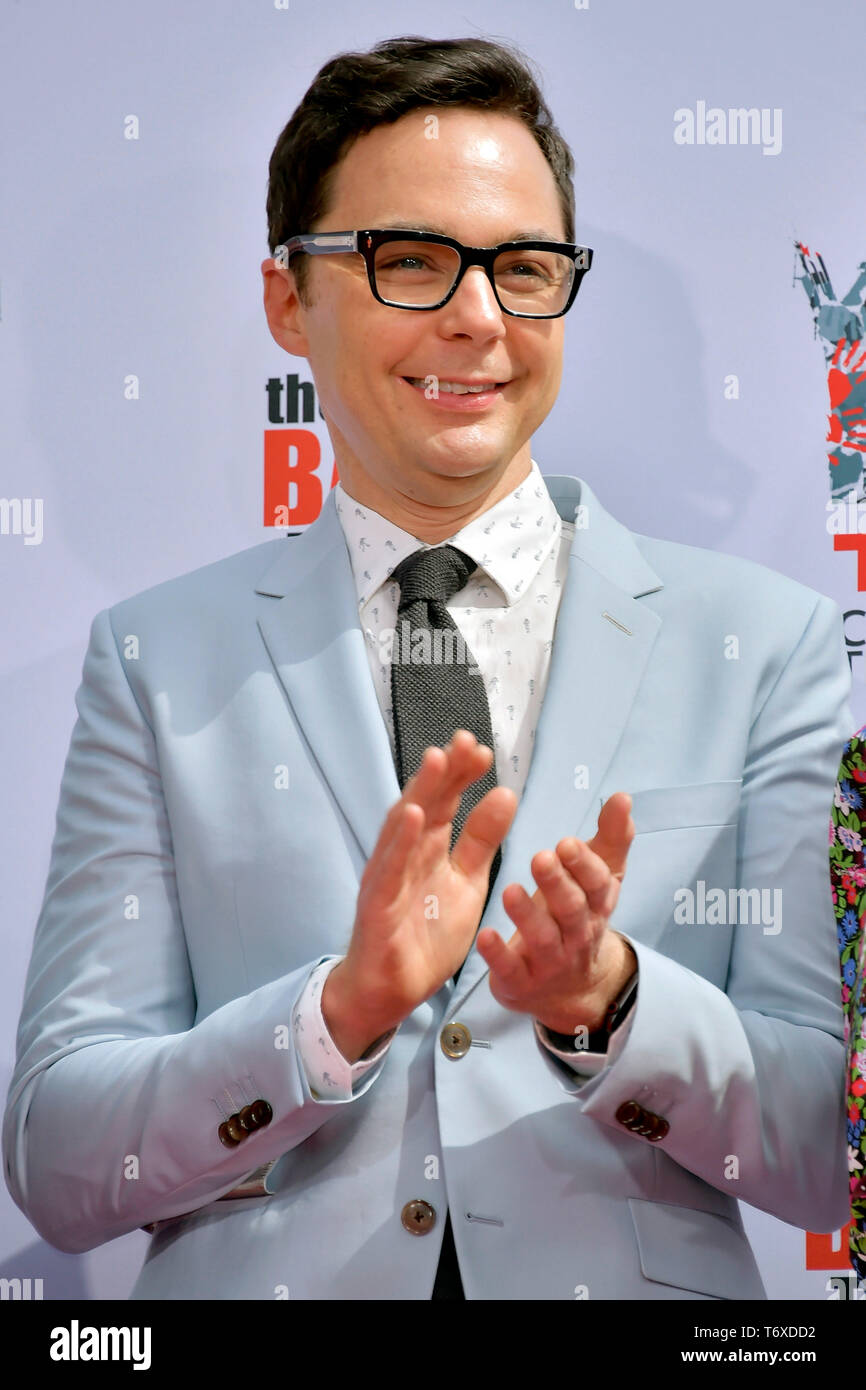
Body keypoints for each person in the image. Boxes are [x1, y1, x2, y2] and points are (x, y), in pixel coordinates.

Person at [2, 34, 853, 1301]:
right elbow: (65, 1163)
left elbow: (826, 1154)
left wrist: (609, 1000)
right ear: (289, 298)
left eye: (523, 267)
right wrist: (327, 1017)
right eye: (409, 262)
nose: (477, 316)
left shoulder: (762, 643)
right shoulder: (156, 659)